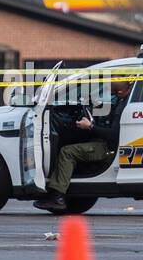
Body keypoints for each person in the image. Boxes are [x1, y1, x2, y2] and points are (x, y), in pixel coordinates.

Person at [34, 79, 132, 213]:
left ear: (120, 92)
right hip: (106, 143)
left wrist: (90, 126)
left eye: (112, 92)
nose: (110, 96)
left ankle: (58, 198)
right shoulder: (124, 100)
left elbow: (114, 135)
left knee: (67, 151)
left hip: (107, 147)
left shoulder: (122, 107)